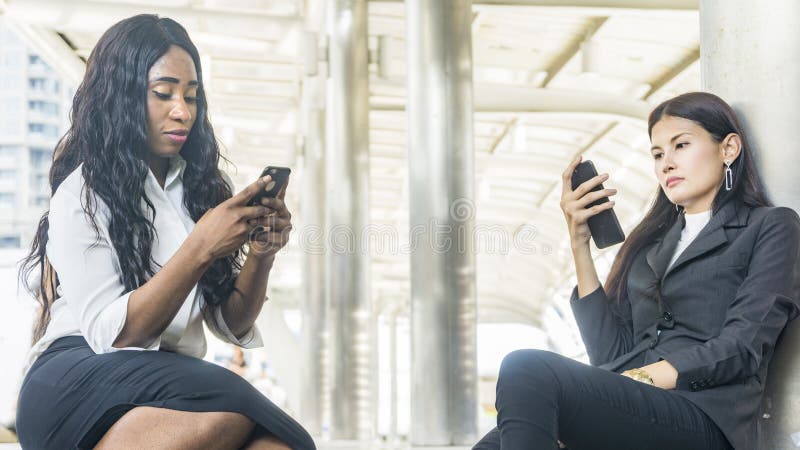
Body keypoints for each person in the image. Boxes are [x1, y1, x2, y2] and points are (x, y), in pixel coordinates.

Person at [15, 14, 315, 450]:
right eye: (163, 94)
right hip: (78, 378)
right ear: (122, 98)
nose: (183, 111)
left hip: (172, 385)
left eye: (192, 96)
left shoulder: (200, 189)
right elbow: (119, 338)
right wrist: (201, 245)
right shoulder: (82, 192)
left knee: (275, 445)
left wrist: (261, 254)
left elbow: (230, 322)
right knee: (230, 412)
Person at [473, 92, 800, 450]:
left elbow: (744, 344)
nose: (666, 164)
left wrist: (642, 378)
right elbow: (610, 355)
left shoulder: (771, 226)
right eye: (658, 154)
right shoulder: (650, 246)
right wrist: (579, 243)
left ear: (729, 149)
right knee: (495, 440)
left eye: (681, 145)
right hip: (635, 407)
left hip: (705, 416)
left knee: (525, 368)